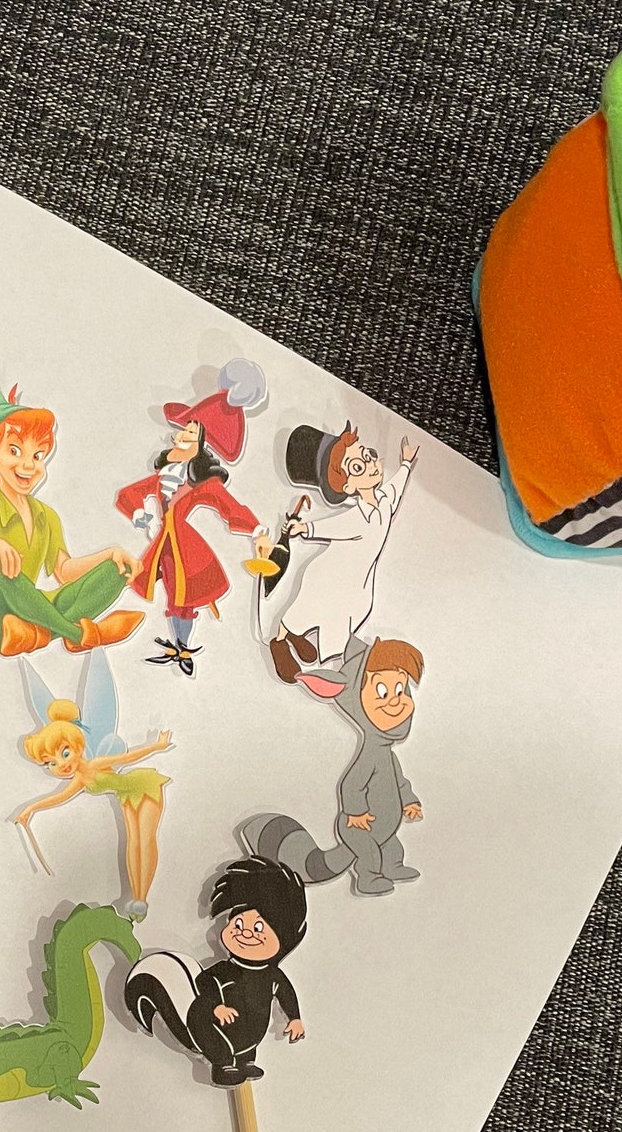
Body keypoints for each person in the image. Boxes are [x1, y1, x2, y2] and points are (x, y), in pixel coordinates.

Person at [0, 388, 144, 656]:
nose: (28, 465)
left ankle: (33, 633)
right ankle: (80, 635)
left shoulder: (47, 516)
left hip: (34, 611)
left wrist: (109, 555)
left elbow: (64, 571)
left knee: (116, 569)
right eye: (14, 450)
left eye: (37, 456)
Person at [116, 361, 271, 674]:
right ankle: (180, 645)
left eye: (188, 434)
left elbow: (230, 507)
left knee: (181, 596)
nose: (178, 439)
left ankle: (182, 648)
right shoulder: (164, 476)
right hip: (165, 544)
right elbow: (128, 495)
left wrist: (257, 531)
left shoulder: (202, 485)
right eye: (181, 432)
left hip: (186, 549)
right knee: (165, 590)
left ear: (200, 446)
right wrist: (142, 515)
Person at [243, 635, 426, 895]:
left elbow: (400, 782)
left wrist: (409, 802)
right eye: (382, 692)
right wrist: (355, 812)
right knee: (369, 853)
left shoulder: (386, 755)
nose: (395, 701)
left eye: (400, 689)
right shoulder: (371, 755)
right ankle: (368, 878)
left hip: (383, 826)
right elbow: (352, 784)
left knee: (391, 846)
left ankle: (393, 866)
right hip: (359, 827)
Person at [123, 855, 307, 1085]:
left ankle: (245, 1061)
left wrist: (295, 1018)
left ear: (284, 938)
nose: (245, 933)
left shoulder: (272, 976)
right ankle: (222, 1066)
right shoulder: (224, 970)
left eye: (258, 928)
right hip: (213, 1026)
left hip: (246, 1034)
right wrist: (217, 1008)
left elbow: (286, 993)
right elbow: (204, 984)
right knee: (208, 1020)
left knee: (248, 1031)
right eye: (238, 923)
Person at [266, 423, 418, 683]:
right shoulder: (356, 517)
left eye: (369, 455)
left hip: (358, 582)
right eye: (358, 467)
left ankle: (305, 642)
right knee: (307, 609)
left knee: (345, 615)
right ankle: (280, 641)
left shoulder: (384, 502)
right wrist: (304, 528)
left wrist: (405, 464)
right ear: (347, 487)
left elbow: (396, 487)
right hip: (328, 575)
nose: (371, 465)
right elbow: (332, 527)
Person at [15, 699, 173, 919]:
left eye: (64, 753)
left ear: (77, 746)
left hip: (143, 786)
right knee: (133, 842)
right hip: (126, 796)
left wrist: (157, 746)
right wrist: (30, 809)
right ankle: (138, 899)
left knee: (145, 839)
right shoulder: (79, 780)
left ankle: (142, 897)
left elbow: (126, 757)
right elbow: (58, 797)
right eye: (50, 763)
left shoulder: (94, 764)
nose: (61, 765)